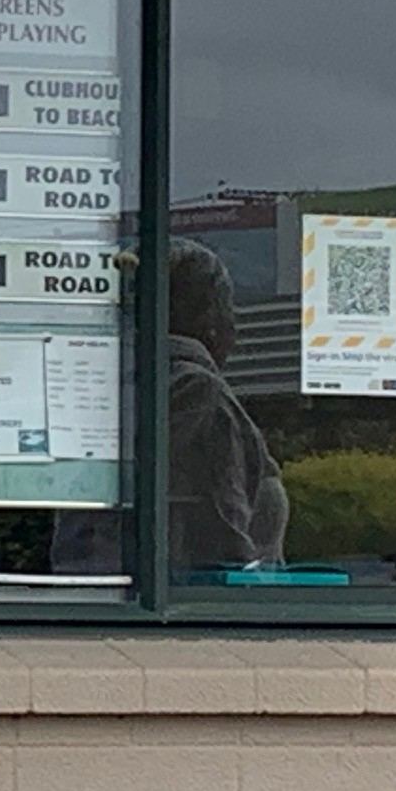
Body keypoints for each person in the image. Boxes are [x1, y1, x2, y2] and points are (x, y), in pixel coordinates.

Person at [167, 237, 288, 569]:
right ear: (209, 320)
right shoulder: (196, 391)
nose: (235, 327)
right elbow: (224, 525)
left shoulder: (138, 379)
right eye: (229, 307)